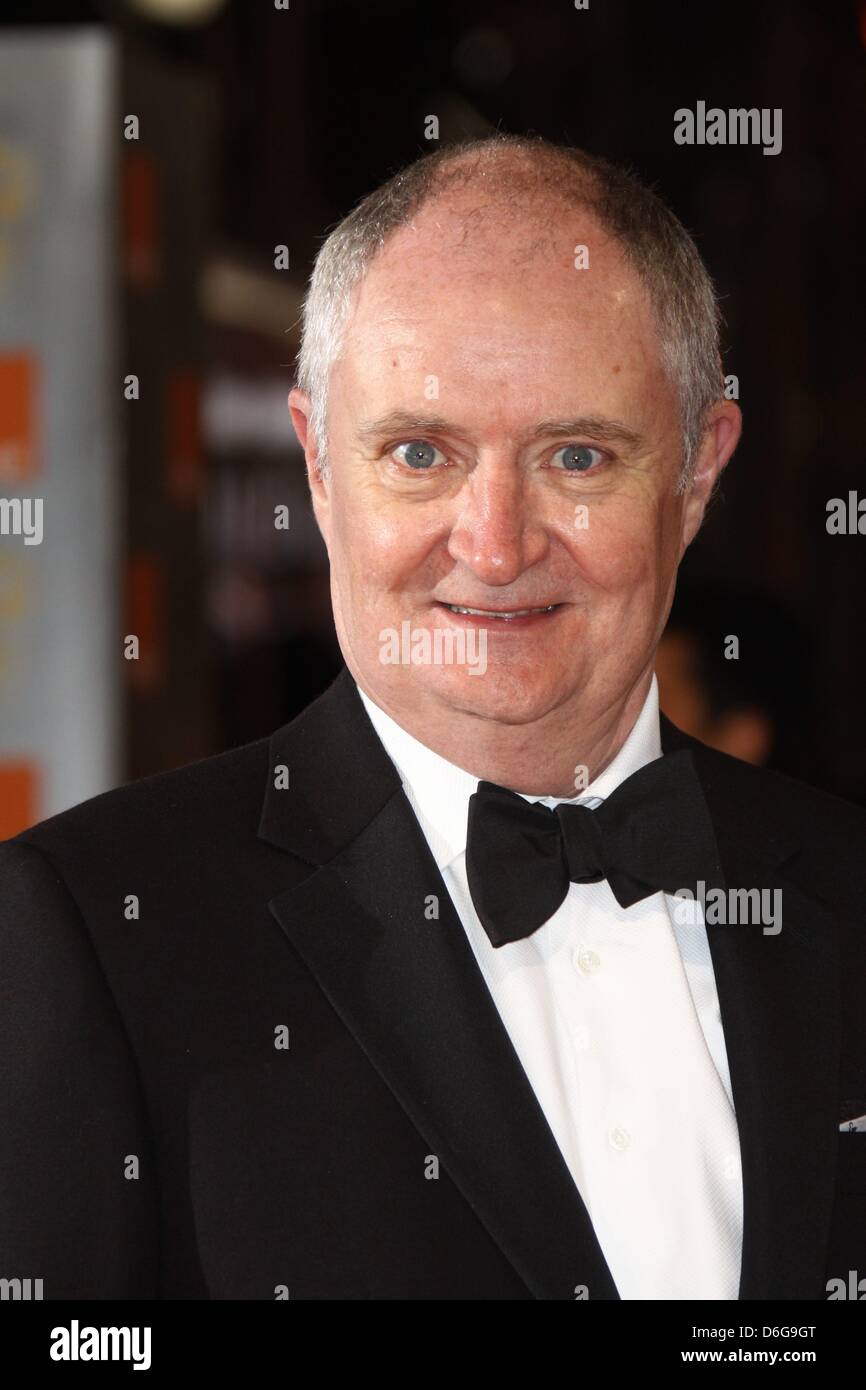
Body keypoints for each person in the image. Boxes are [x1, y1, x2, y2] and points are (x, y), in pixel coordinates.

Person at [2, 135, 863, 1301]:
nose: (495, 545)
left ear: (696, 472)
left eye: (574, 454)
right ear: (315, 462)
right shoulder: (90, 937)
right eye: (418, 452)